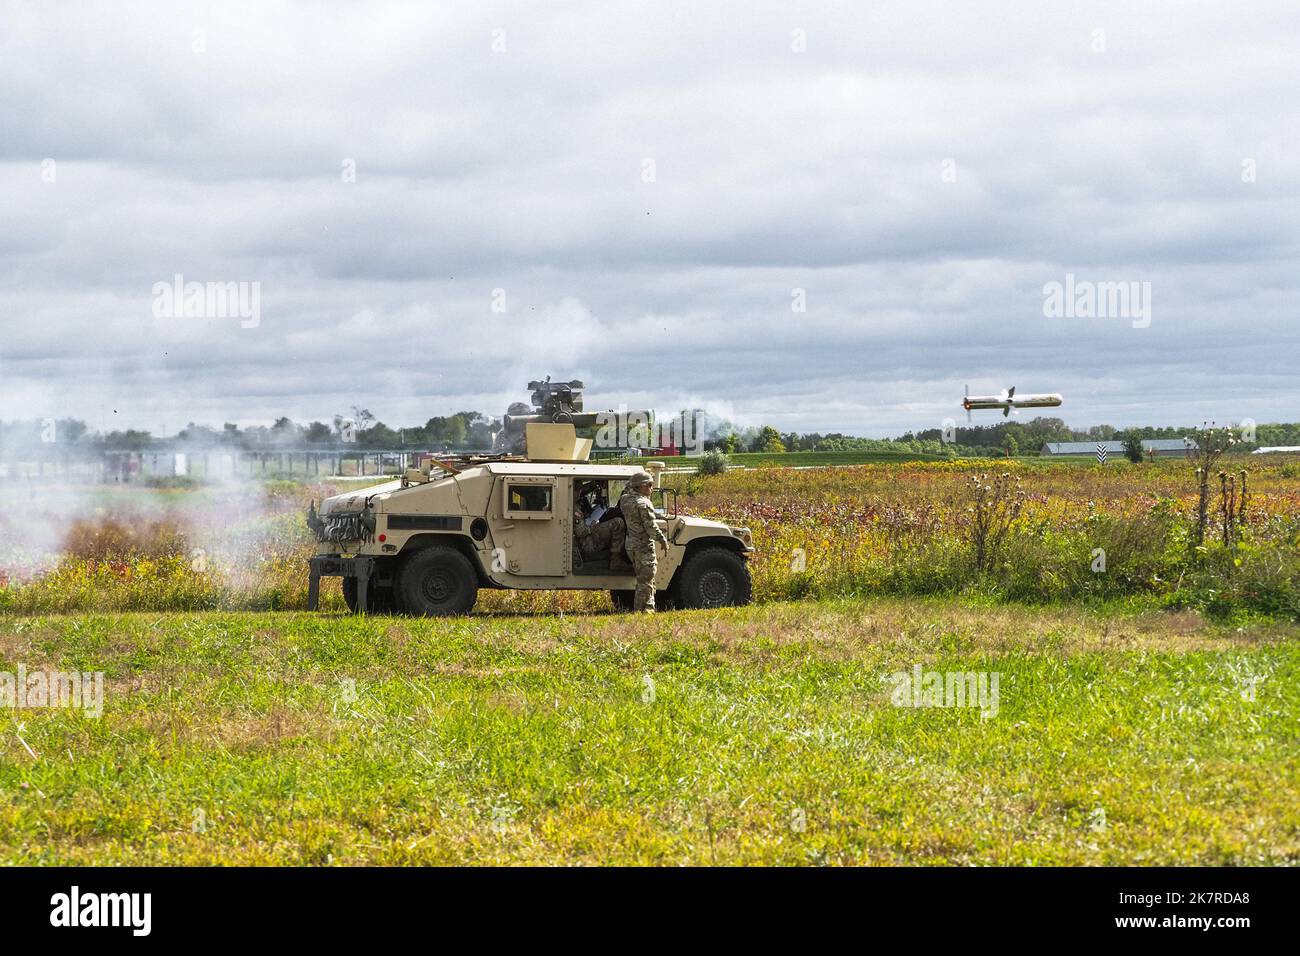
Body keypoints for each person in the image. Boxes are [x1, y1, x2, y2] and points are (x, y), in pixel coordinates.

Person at [618, 470, 669, 612]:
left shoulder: (625, 500)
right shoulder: (644, 503)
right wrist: (662, 540)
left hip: (631, 546)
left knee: (644, 578)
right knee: (645, 580)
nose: (651, 488)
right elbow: (651, 527)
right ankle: (644, 610)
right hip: (643, 546)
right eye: (649, 485)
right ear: (640, 487)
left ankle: (644, 608)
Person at [574, 481, 629, 571]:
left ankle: (616, 558)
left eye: (579, 490)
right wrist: (593, 526)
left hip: (587, 538)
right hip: (587, 543)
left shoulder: (576, 504)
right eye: (577, 490)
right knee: (618, 523)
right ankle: (616, 561)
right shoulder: (573, 508)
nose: (579, 493)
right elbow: (581, 532)